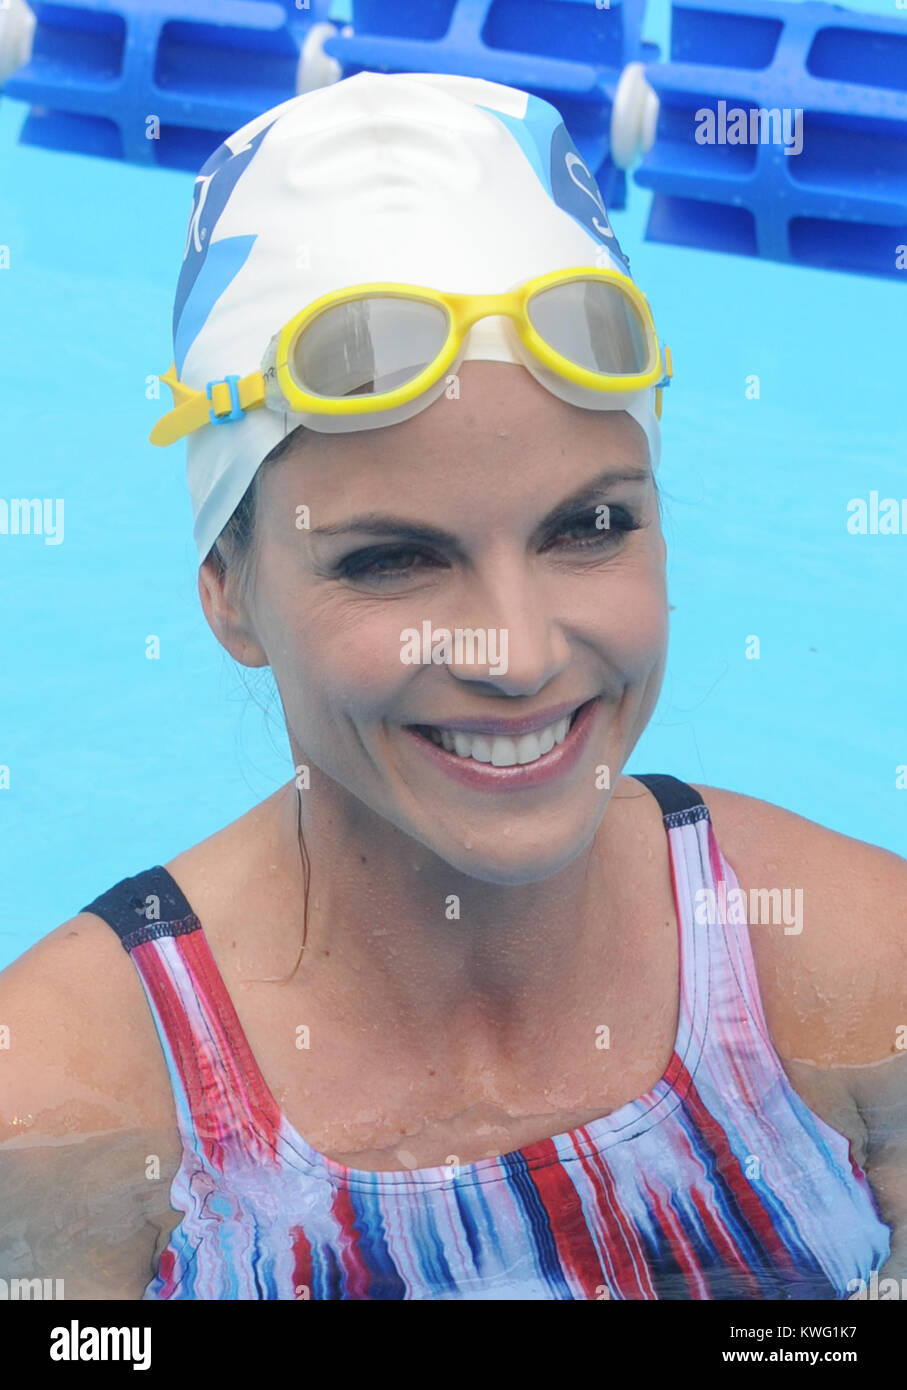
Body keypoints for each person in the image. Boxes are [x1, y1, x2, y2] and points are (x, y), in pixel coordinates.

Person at [1, 71, 905, 1302]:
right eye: (393, 559)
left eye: (587, 526)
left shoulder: (854, 973)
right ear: (227, 589)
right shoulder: (67, 1100)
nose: (519, 651)